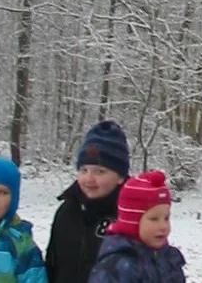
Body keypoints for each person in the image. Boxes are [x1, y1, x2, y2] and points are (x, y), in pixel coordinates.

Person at [47, 120, 131, 283]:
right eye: (84, 170)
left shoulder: (131, 216)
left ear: (120, 176)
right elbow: (52, 265)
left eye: (100, 171)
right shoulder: (67, 211)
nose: (89, 179)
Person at [88, 170, 186, 283]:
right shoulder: (119, 266)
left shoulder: (169, 259)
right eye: (154, 219)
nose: (163, 226)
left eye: (166, 218)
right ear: (131, 222)